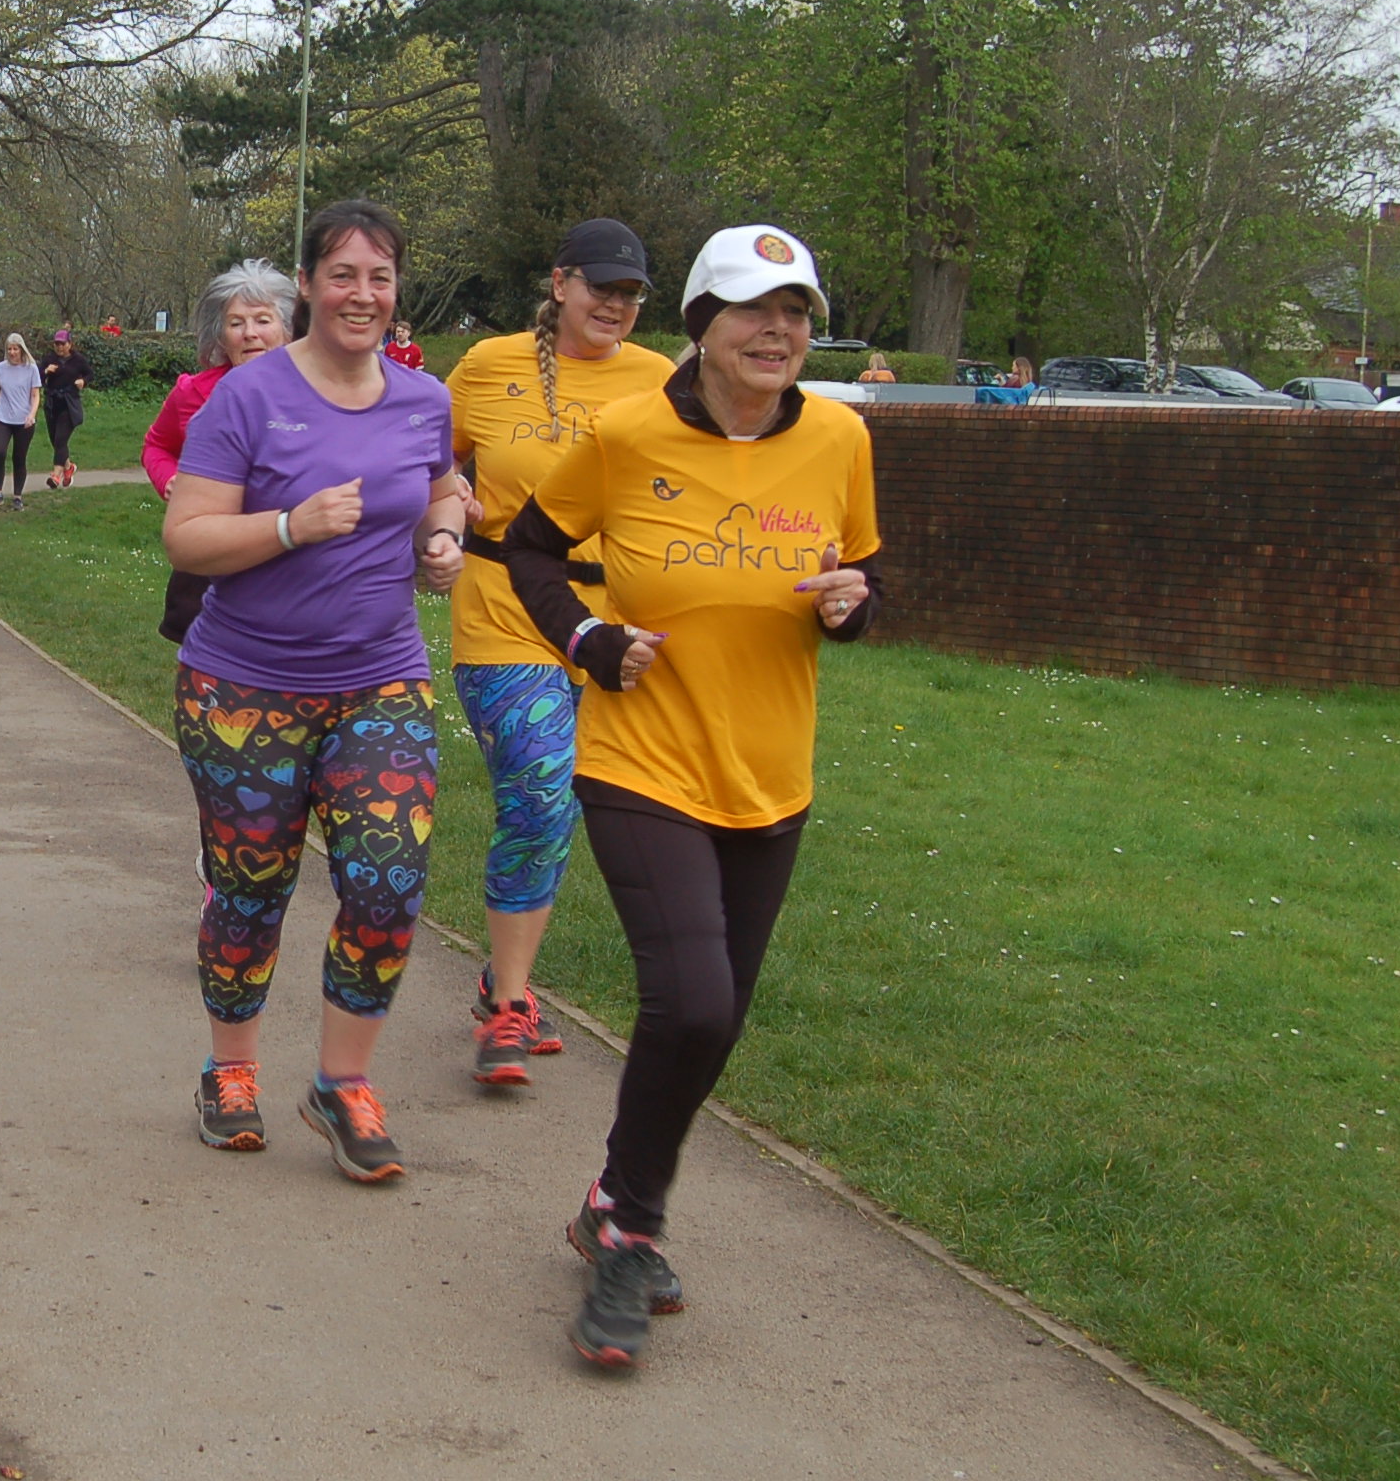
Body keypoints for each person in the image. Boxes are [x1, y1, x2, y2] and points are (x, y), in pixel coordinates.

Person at [498, 222, 881, 1369]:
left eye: (796, 312)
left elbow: (860, 575)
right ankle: (632, 1228)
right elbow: (528, 549)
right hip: (639, 759)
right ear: (703, 324)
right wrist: (585, 638)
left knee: (713, 1016)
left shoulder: (840, 436)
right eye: (756, 308)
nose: (779, 330)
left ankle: (611, 1199)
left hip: (768, 777)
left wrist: (852, 606)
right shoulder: (626, 433)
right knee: (696, 1001)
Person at [161, 201, 467, 1182]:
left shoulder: (422, 399)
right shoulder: (247, 397)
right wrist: (290, 525)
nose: (362, 295)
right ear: (306, 285)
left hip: (380, 678)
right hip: (243, 686)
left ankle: (342, 1082)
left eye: (380, 277)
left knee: (386, 879)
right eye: (342, 275)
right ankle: (230, 1069)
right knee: (251, 888)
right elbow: (187, 536)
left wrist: (441, 537)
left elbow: (441, 486)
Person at [443, 219, 672, 1086]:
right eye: (601, 287)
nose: (615, 304)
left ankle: (502, 975)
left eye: (631, 294)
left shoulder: (659, 379)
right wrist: (448, 491)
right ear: (560, 282)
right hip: (505, 609)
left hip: (617, 628)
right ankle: (511, 1005)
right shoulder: (489, 365)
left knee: (571, 803)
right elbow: (426, 451)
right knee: (540, 791)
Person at [143, 262, 295, 642]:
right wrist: (169, 480)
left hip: (288, 566)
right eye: (236, 323)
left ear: (289, 328)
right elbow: (156, 444)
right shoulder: (193, 393)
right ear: (221, 336)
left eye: (263, 320)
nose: (250, 333)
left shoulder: (316, 392)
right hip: (208, 569)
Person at [0, 333, 43, 506]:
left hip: (24, 421)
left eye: (15, 349)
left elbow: (35, 395)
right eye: (9, 349)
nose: (12, 352)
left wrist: (32, 414)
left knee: (19, 457)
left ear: (21, 350)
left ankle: (17, 496)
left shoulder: (31, 369)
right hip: (2, 418)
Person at [36, 327, 93, 486]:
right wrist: (46, 371)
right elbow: (37, 376)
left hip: (69, 404)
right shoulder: (49, 359)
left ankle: (56, 475)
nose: (59, 347)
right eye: (57, 344)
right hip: (52, 404)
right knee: (55, 441)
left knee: (61, 439)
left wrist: (83, 381)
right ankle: (68, 467)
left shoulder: (78, 360)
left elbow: (90, 374)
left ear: (69, 344)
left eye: (62, 344)